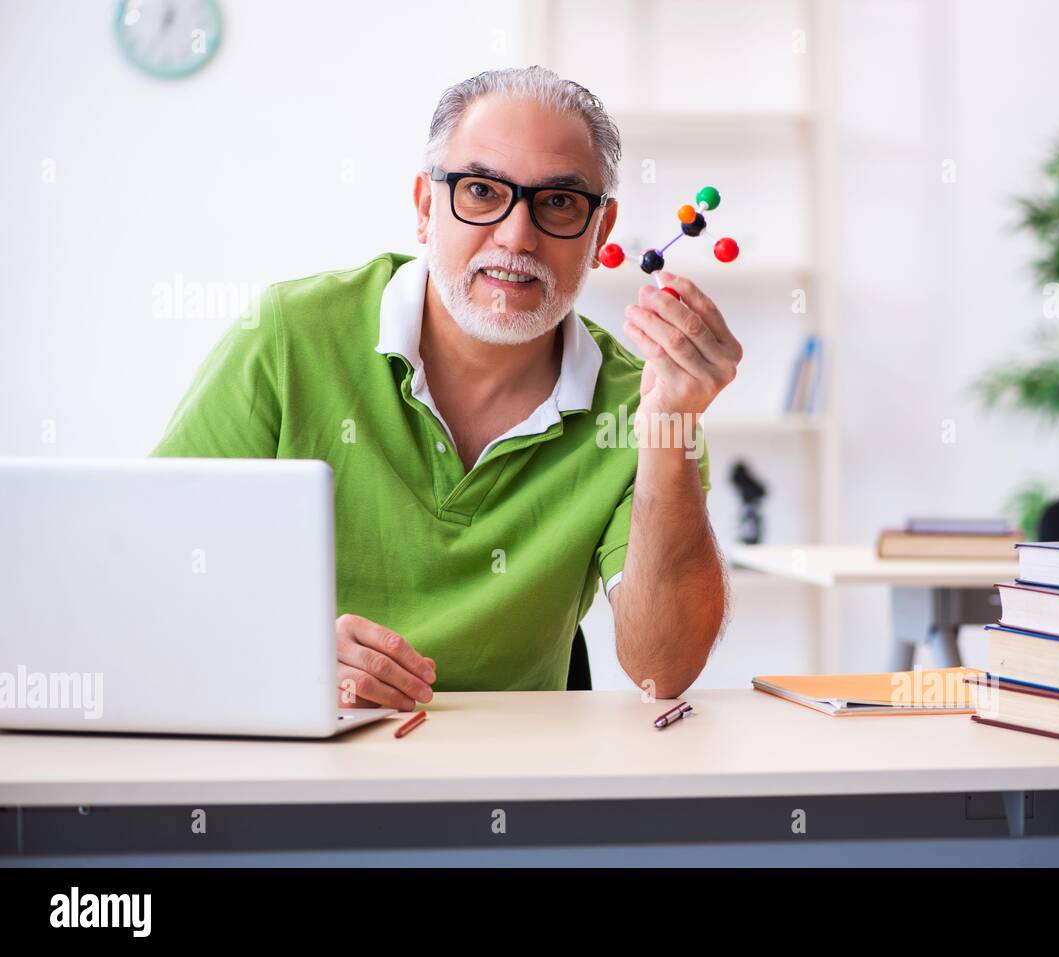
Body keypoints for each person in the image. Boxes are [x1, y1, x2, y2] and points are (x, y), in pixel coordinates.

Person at [153, 66, 742, 706]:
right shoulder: (290, 335)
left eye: (559, 202)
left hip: (508, 783)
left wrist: (670, 425)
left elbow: (666, 667)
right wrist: (283, 646)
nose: (518, 236)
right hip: (297, 759)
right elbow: (157, 568)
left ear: (600, 231)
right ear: (426, 206)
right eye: (482, 191)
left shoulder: (645, 405)